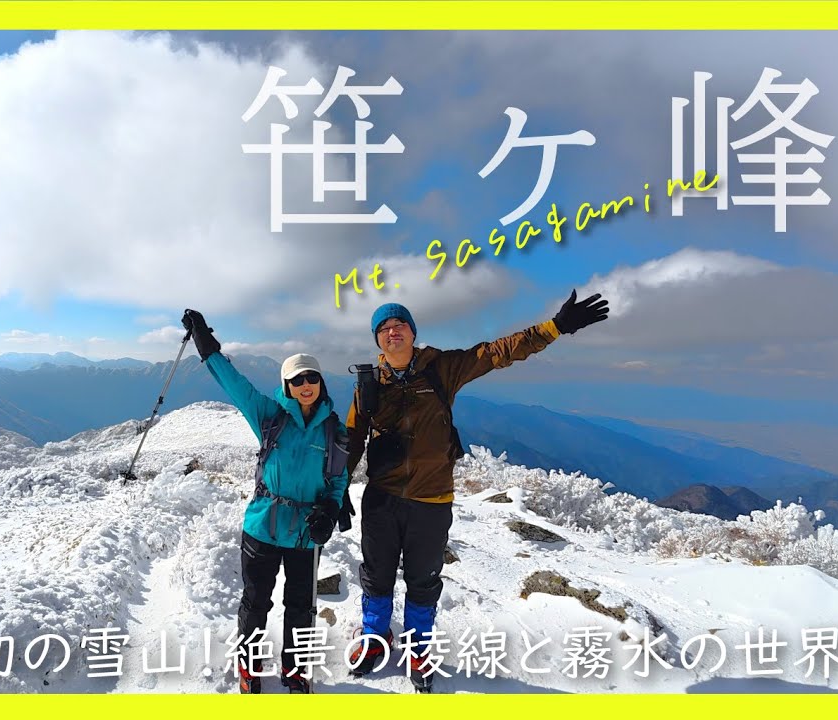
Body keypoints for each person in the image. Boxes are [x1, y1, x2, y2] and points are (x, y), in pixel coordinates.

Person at [342, 291, 609, 691]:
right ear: (377, 340)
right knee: (376, 575)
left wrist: (554, 327)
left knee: (423, 579)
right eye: (383, 328)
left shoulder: (441, 369)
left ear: (413, 333)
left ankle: (418, 647)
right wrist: (336, 487)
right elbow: (353, 437)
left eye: (399, 325)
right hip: (382, 497)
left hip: (431, 499)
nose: (391, 331)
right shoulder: (370, 384)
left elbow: (496, 352)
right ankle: (375, 637)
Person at [181, 309, 350, 694]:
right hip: (262, 526)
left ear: (321, 383)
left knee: (301, 608)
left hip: (306, 534)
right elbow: (235, 386)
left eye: (312, 378)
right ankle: (249, 664)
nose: (306, 384)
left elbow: (338, 478)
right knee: (255, 603)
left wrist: (330, 507)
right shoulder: (270, 415)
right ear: (287, 385)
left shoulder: (332, 430)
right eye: (297, 379)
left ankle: (294, 669)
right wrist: (207, 346)